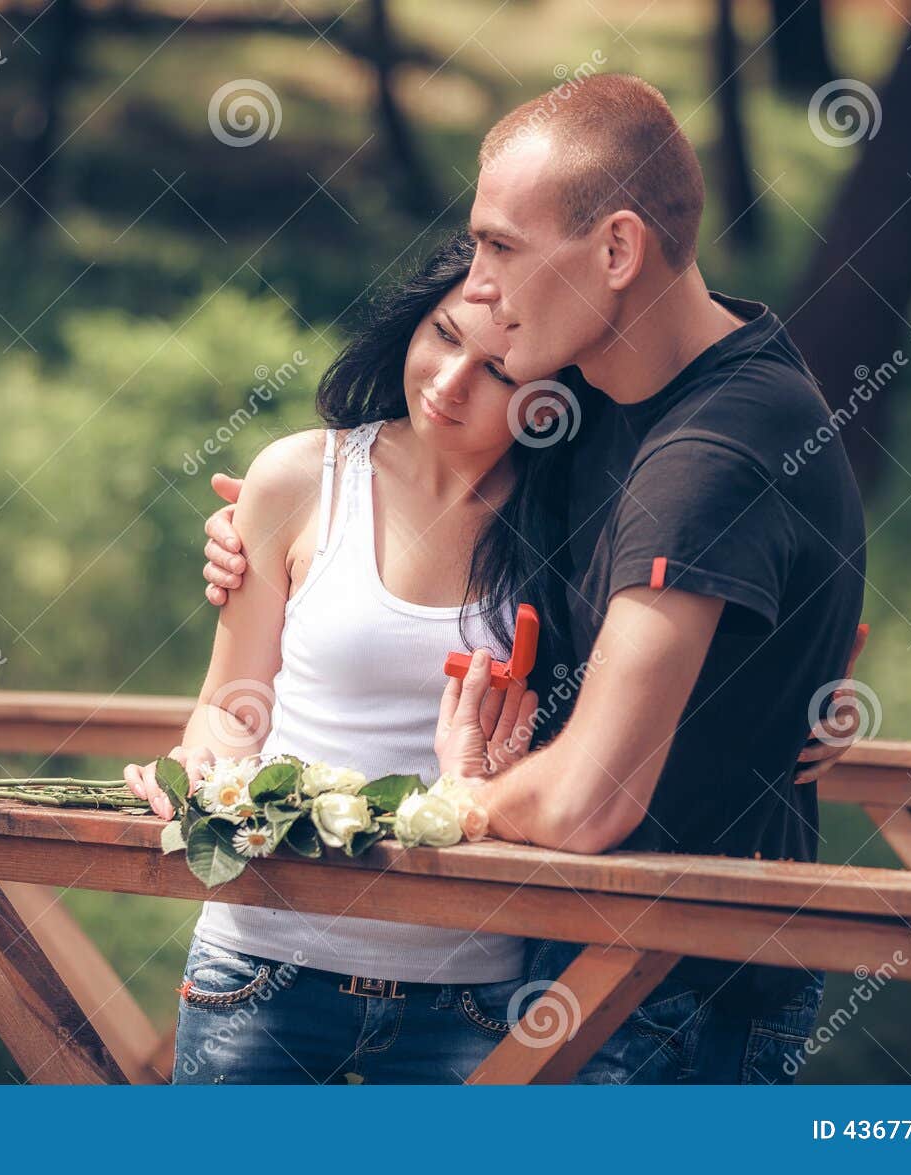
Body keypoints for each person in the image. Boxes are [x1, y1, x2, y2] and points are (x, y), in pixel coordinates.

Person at [196, 74, 869, 1083]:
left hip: (673, 995)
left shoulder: (712, 448)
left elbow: (586, 799)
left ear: (617, 252)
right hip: (572, 967)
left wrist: (453, 798)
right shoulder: (608, 399)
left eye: (501, 246)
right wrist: (267, 531)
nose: (479, 283)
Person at [124, 232, 576, 1083]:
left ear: (555, 397)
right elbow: (231, 701)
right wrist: (201, 775)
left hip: (470, 993)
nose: (449, 384)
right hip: (260, 968)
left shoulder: (578, 528)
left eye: (501, 372)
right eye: (444, 335)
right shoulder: (302, 476)